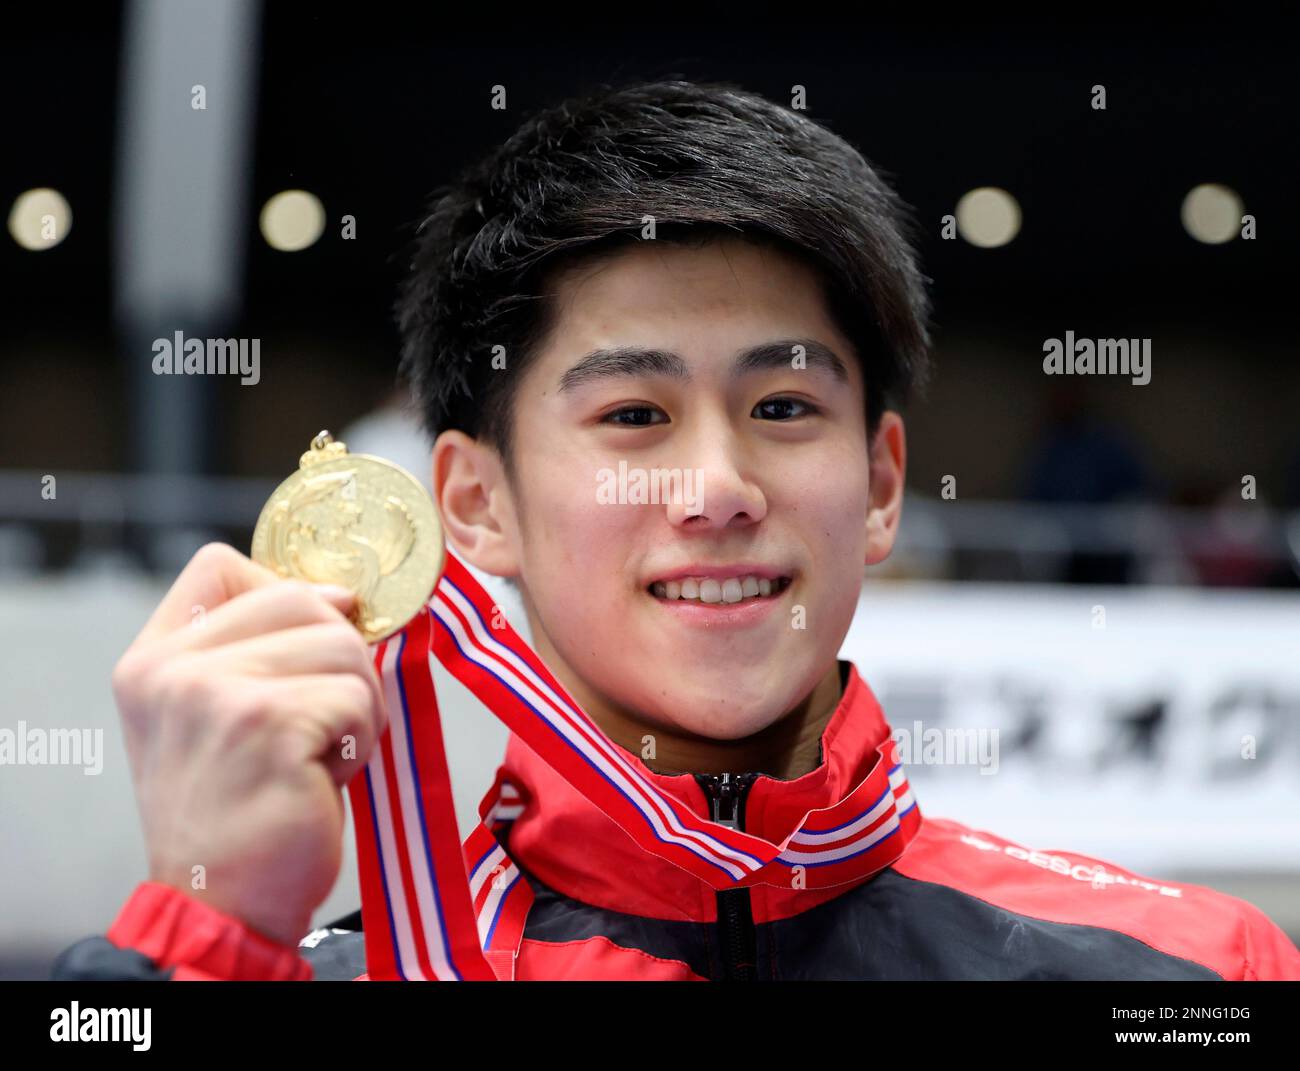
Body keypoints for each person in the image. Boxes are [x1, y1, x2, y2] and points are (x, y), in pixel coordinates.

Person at [53, 79, 1299, 981]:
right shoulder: (310, 971)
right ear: (477, 505)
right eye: (635, 413)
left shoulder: (1184, 972)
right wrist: (200, 931)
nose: (716, 486)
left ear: (878, 487)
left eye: (781, 405)